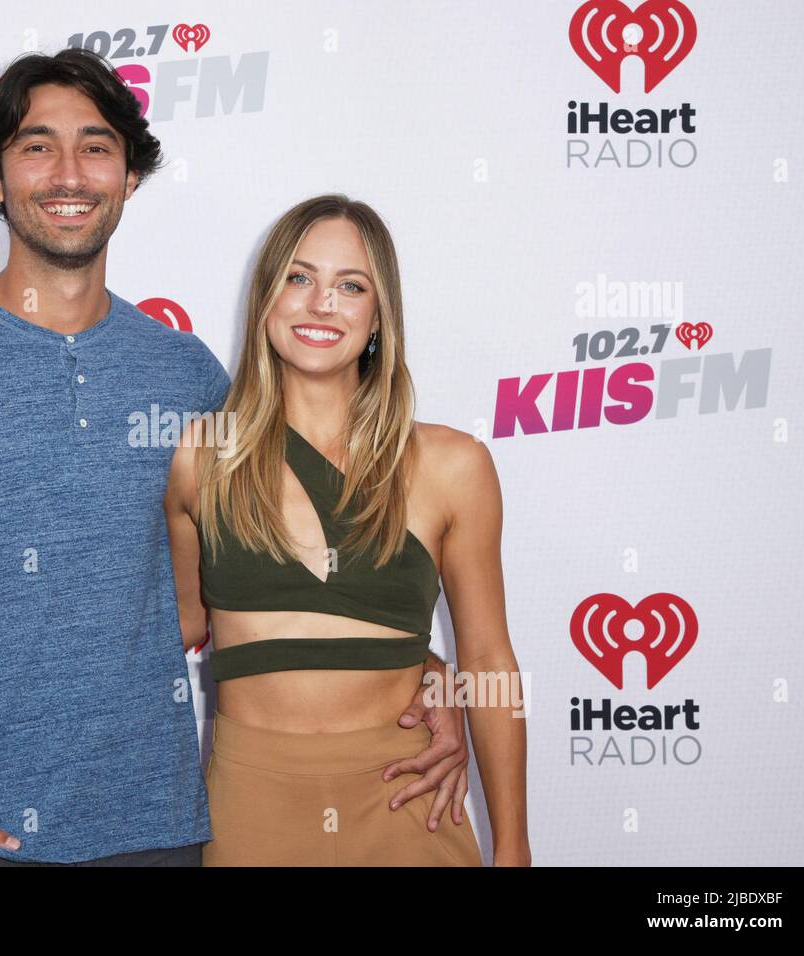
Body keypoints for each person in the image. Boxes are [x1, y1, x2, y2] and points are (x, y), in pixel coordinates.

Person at [0, 46, 470, 868]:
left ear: (130, 178)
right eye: (37, 146)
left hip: (160, 836)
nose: (68, 171)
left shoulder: (190, 378)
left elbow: (274, 580)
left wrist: (425, 673)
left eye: (97, 146)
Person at [165, 194, 531, 866]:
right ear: (265, 299)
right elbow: (176, 628)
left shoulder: (454, 465)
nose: (320, 303)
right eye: (298, 278)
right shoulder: (200, 457)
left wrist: (513, 849)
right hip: (249, 807)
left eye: (350, 286)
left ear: (378, 318)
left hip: (409, 801)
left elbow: (489, 660)